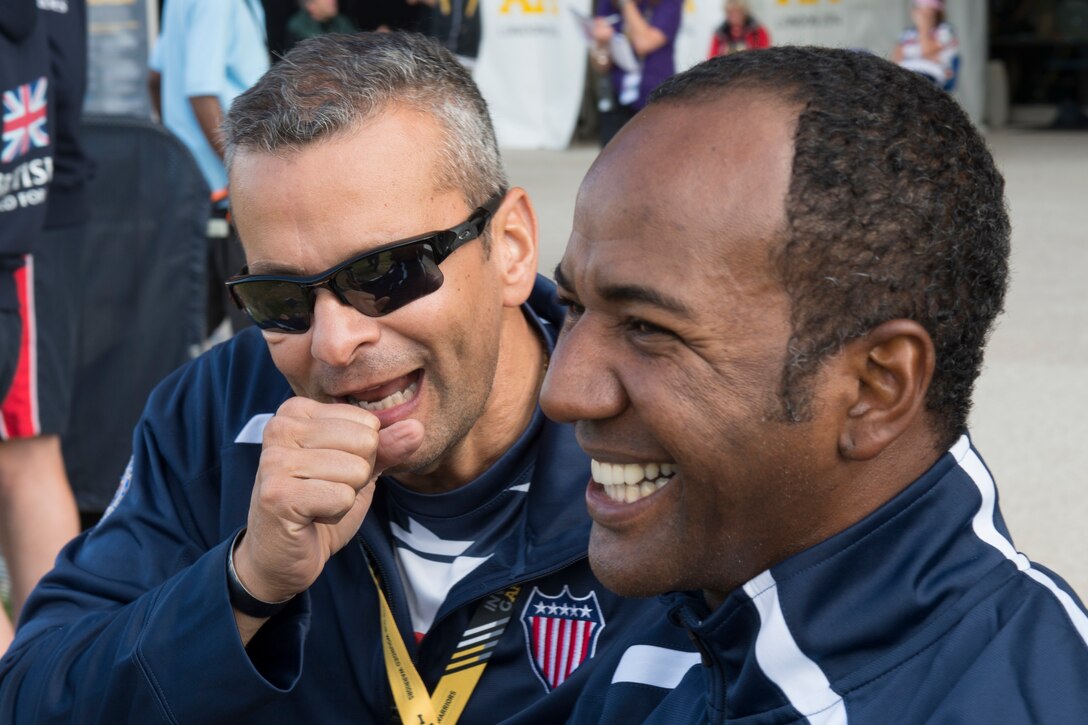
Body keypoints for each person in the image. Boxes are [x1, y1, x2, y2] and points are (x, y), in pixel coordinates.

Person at [0, 32, 690, 722]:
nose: (333, 343)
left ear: (509, 247)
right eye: (280, 299)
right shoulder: (211, 412)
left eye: (384, 273)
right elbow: (31, 695)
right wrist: (245, 583)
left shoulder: (661, 435)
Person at [542, 46, 1088, 723]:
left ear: (875, 388)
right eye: (572, 306)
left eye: (649, 327)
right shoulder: (703, 596)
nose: (563, 391)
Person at [0, 0, 88, 651]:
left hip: (26, 230)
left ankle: (44, 678)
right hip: (34, 215)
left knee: (28, 455)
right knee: (28, 457)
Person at [148, 0, 269, 339]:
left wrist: (180, 147)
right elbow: (201, 92)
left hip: (200, 184)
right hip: (226, 186)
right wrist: (241, 170)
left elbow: (155, 78)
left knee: (196, 321)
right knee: (256, 322)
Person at [590, 0, 682, 146]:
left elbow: (643, 44)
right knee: (612, 160)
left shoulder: (670, 3)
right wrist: (600, 43)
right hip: (618, 97)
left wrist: (626, 5)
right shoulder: (608, 3)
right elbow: (602, 65)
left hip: (654, 98)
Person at [891, 0, 959, 91]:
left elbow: (926, 51)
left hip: (929, 74)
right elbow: (896, 59)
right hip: (904, 73)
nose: (920, 12)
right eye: (917, 7)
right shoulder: (908, 33)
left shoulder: (945, 30)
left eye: (925, 8)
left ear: (936, 11)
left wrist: (923, 27)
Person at [285, 0, 357, 47]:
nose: (332, 1)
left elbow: (356, 40)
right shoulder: (298, 25)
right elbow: (319, 45)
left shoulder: (340, 20)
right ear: (311, 6)